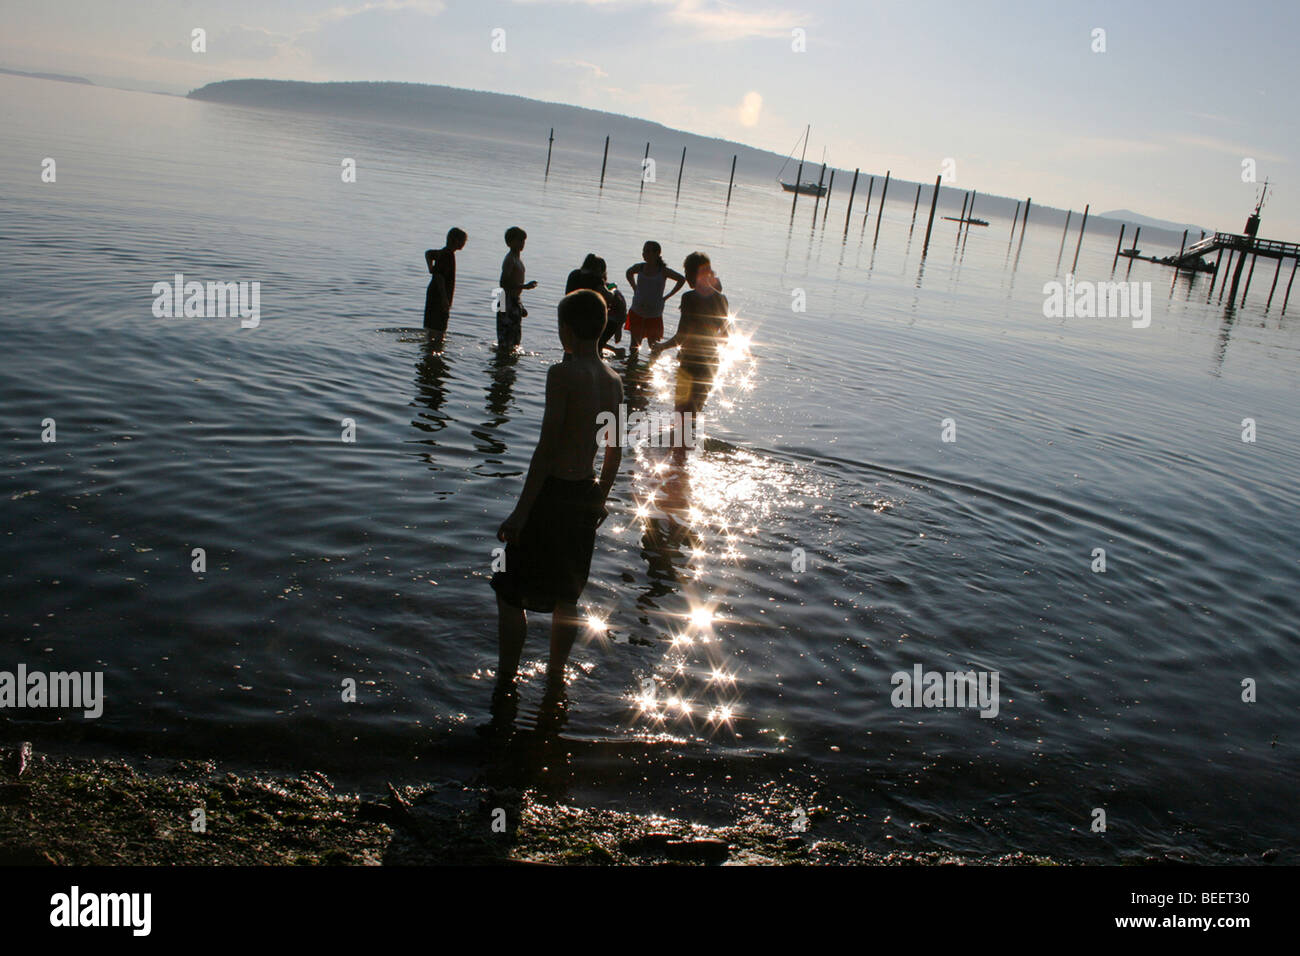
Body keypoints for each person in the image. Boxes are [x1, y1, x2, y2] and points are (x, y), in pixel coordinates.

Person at [488, 289, 624, 728]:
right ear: (602, 328)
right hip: (584, 494)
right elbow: (614, 452)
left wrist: (520, 513)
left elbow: (546, 450)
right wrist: (600, 498)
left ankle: (506, 680)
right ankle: (555, 681)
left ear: (566, 331)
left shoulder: (561, 375)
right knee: (568, 595)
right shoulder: (613, 380)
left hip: (552, 495)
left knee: (510, 592)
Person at [650, 251, 731, 455]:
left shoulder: (689, 298)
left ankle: (678, 464)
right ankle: (683, 463)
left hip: (689, 364)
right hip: (711, 366)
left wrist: (661, 347)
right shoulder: (722, 299)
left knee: (681, 418)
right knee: (692, 416)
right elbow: (726, 337)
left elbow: (681, 336)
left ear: (690, 274)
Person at [625, 241, 685, 357]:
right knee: (634, 346)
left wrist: (667, 296)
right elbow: (629, 273)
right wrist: (634, 287)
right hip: (637, 310)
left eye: (648, 251)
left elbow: (681, 279)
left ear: (657, 254)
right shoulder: (640, 267)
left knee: (654, 347)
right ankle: (631, 369)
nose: (644, 254)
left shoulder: (662, 271)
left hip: (654, 314)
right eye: (644, 251)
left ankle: (651, 371)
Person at [566, 255, 626, 356]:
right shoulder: (595, 279)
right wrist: (613, 289)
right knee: (593, 349)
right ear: (599, 269)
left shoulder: (574, 274)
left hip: (570, 316)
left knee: (572, 349)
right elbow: (609, 297)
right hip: (589, 320)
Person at [497, 226, 536, 351]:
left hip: (514, 300)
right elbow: (503, 283)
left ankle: (508, 365)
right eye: (519, 240)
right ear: (509, 243)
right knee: (506, 339)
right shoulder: (510, 260)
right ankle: (503, 364)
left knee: (515, 340)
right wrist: (524, 286)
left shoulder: (517, 259)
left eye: (523, 241)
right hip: (505, 300)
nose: (522, 243)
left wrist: (520, 305)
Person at [423, 228, 467, 331]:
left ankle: (431, 345)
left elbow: (428, 253)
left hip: (433, 292)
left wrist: (430, 268)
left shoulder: (443, 252)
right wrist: (444, 299)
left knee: (431, 325)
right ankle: (435, 345)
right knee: (438, 327)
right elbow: (439, 277)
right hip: (439, 294)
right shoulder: (447, 255)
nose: (464, 243)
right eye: (463, 241)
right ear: (456, 240)